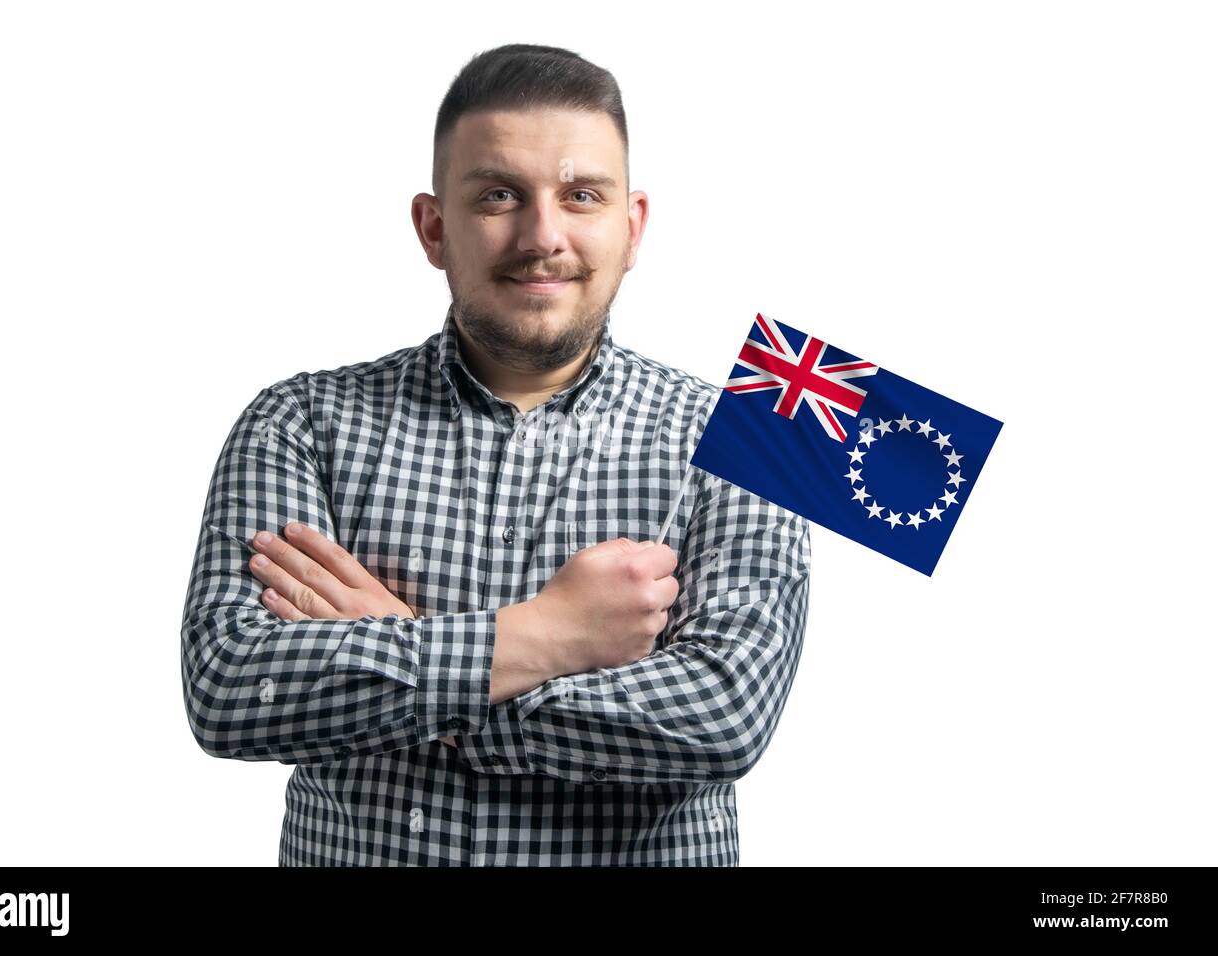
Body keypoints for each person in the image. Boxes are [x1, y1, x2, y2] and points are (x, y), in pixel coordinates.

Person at [180, 42, 811, 866]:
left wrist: (411, 655)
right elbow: (232, 689)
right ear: (434, 227)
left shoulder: (754, 430)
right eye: (500, 195)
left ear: (632, 226)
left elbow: (722, 720)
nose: (542, 236)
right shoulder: (297, 422)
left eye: (582, 195)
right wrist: (546, 633)